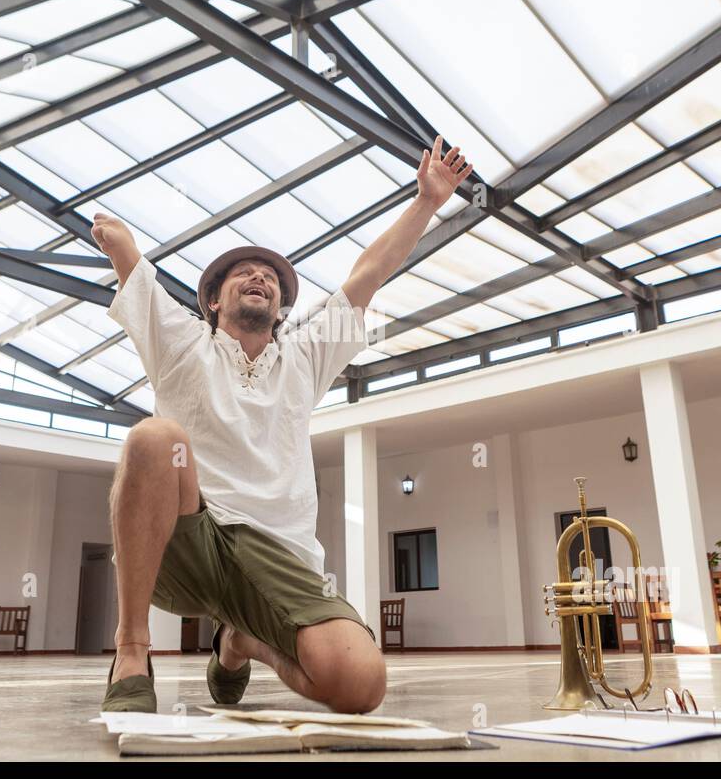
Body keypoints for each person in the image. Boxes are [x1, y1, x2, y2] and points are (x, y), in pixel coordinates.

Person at [91, 135, 473, 714]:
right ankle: (132, 648)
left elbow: (368, 273)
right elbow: (134, 272)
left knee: (359, 684)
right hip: (189, 541)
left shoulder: (305, 357)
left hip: (279, 557)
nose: (259, 277)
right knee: (154, 438)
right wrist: (120, 244)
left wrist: (426, 202)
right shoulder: (182, 344)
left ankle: (241, 642)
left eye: (269, 278)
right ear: (212, 303)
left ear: (281, 307)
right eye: (243, 273)